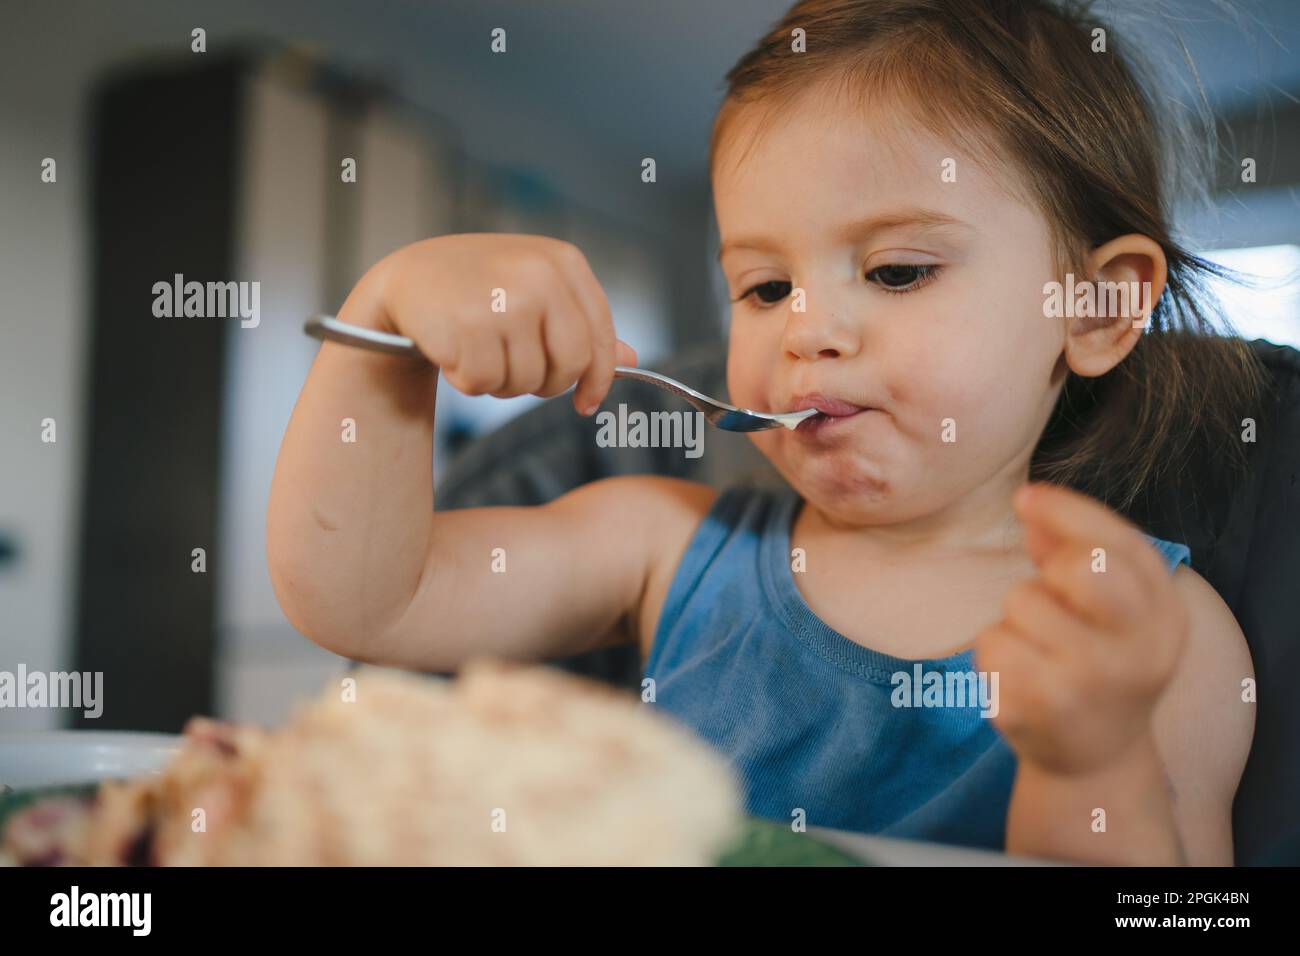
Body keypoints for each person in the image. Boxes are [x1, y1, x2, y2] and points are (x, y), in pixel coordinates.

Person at [267, 0, 1268, 865]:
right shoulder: (657, 547)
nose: (805, 331)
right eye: (764, 285)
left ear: (1092, 306)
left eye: (896, 270)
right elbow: (369, 600)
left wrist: (1093, 760)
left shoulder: (1155, 635)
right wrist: (382, 331)